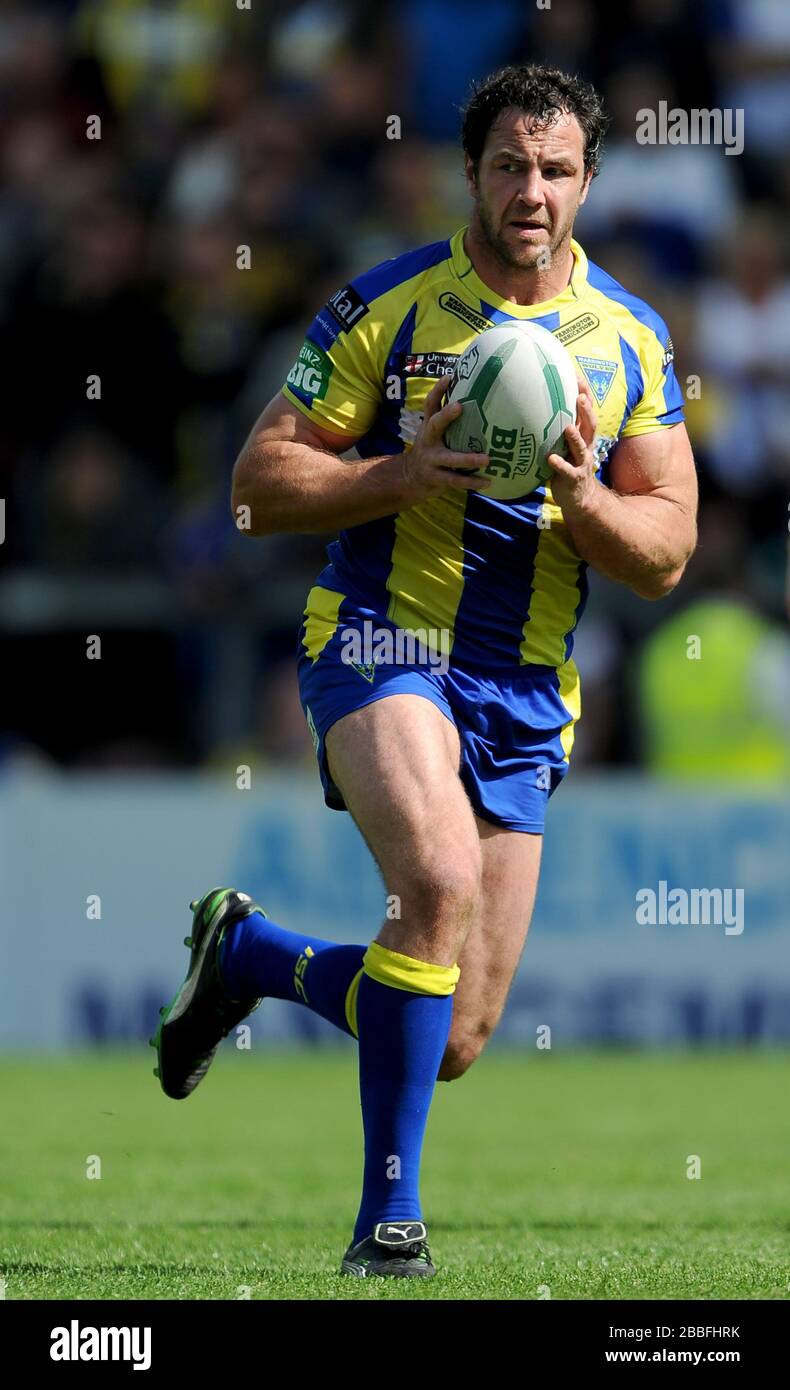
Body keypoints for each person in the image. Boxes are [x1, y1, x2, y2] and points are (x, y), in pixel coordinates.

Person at [151, 64, 698, 1278]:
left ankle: (249, 957)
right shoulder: (385, 304)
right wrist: (395, 475)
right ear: (473, 173)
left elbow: (665, 549)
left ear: (589, 183)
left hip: (523, 687)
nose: (532, 191)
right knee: (435, 884)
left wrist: (578, 496)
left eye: (556, 170)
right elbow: (256, 485)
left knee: (452, 1031)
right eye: (510, 165)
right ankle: (385, 1224)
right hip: (380, 638)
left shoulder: (631, 339)